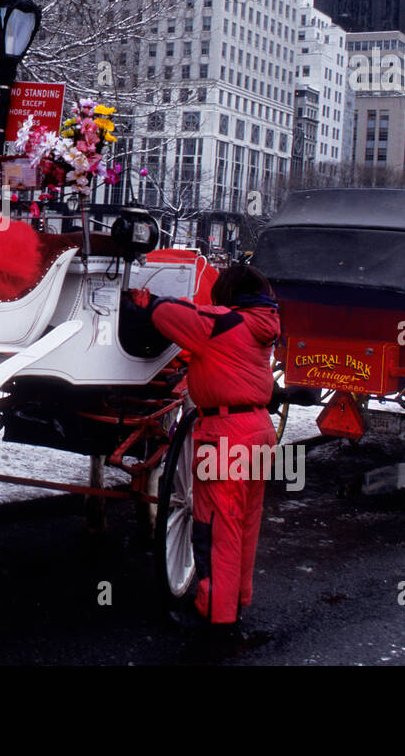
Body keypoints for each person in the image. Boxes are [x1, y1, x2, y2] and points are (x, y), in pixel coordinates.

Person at [126, 263, 280, 641]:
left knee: (215, 529)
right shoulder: (264, 324)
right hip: (259, 430)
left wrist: (147, 302)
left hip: (225, 433)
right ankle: (236, 602)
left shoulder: (223, 322)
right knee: (245, 524)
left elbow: (170, 314)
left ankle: (215, 617)